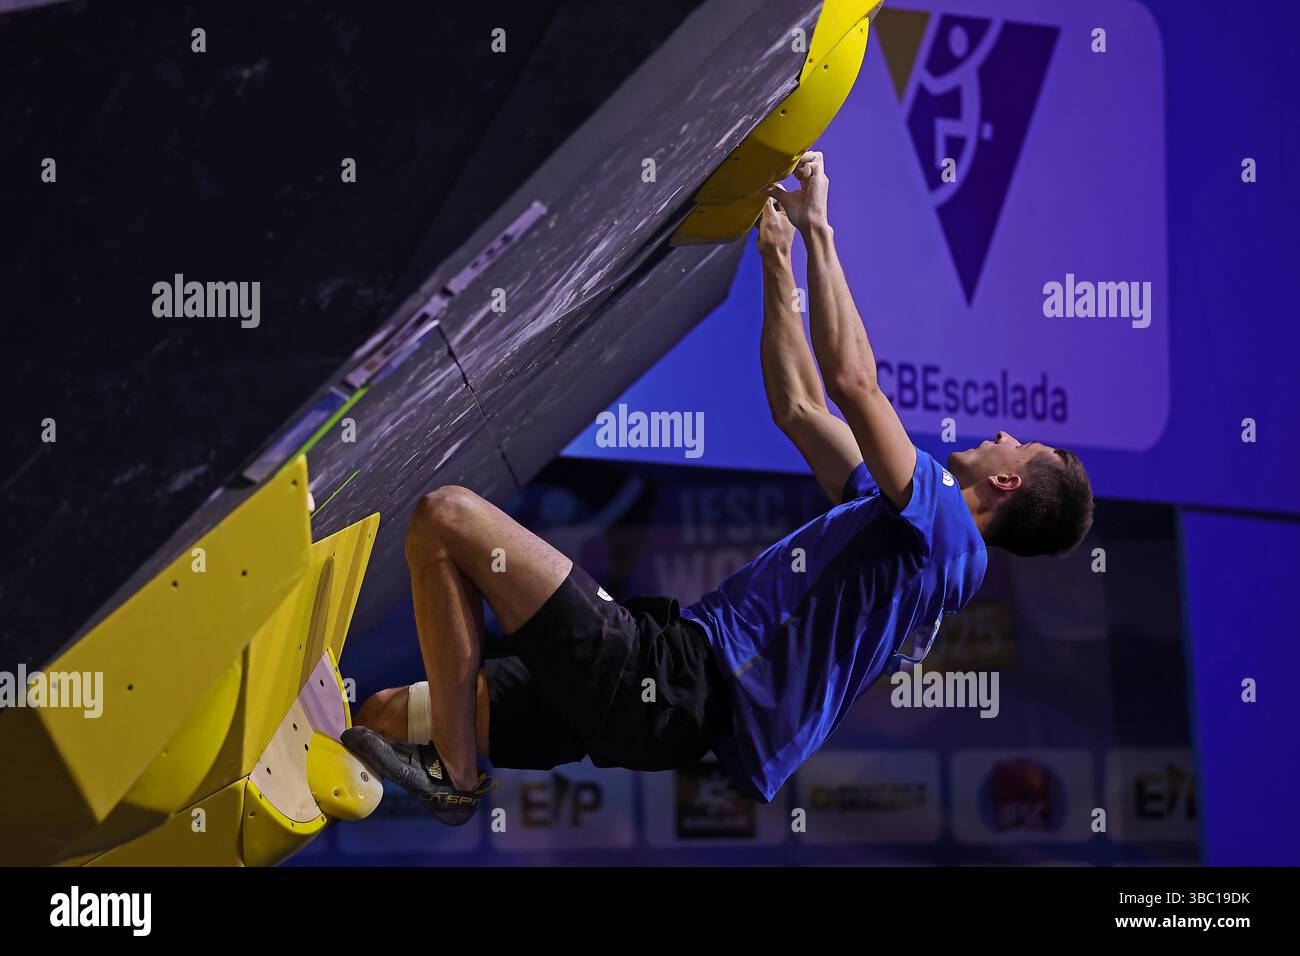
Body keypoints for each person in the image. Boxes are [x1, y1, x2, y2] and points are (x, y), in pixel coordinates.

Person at [341, 151, 1094, 825]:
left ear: (1004, 481)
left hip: (676, 683)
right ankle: (419, 762)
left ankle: (458, 778)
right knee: (382, 716)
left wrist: (820, 229)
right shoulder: (899, 526)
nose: (1000, 434)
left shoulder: (948, 538)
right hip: (668, 680)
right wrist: (778, 258)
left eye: (1015, 445)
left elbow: (854, 381)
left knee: (446, 517)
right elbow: (800, 408)